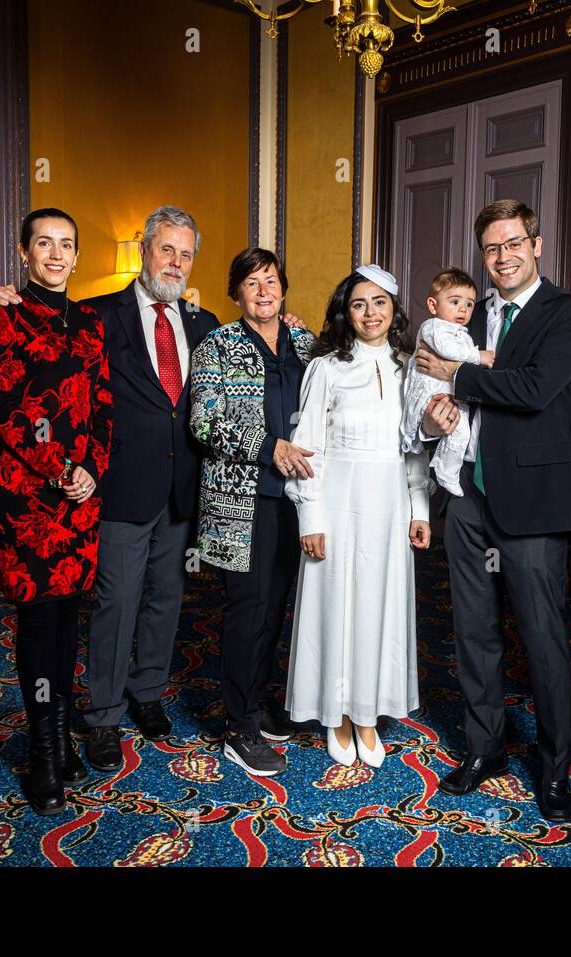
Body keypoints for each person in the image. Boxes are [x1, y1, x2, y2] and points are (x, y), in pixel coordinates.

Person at [0, 206, 219, 773]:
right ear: (144, 252)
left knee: (166, 599)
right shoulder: (98, 314)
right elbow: (34, 381)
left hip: (175, 484)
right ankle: (104, 713)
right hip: (111, 486)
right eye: (167, 250)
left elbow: (249, 350)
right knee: (114, 602)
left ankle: (148, 692)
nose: (176, 262)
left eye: (186, 254)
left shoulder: (203, 322)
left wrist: (299, 328)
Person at [415, 198, 571, 822]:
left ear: (537, 245)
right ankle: (484, 748)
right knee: (472, 630)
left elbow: (536, 388)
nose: (503, 256)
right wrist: (436, 408)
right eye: (492, 248)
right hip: (466, 495)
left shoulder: (570, 312)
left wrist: (457, 375)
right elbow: (435, 384)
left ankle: (553, 766)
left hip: (535, 503)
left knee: (543, 636)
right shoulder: (469, 317)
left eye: (514, 243)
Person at [0, 207, 112, 815]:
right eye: (44, 244)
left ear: (77, 256)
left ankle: (60, 741)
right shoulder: (1, 315)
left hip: (80, 496)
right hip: (26, 496)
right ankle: (41, 752)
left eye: (67, 244)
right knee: (37, 620)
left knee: (66, 621)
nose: (56, 254)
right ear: (25, 252)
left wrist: (92, 470)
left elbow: (104, 405)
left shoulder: (90, 321)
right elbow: (8, 409)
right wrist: (60, 469)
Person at [285, 265, 431, 769]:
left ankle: (366, 713)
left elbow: (416, 452)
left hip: (390, 504)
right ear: (346, 314)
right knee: (336, 606)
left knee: (378, 607)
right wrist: (311, 518)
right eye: (358, 304)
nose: (370, 313)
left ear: (395, 310)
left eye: (380, 303)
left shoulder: (412, 368)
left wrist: (420, 509)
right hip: (337, 504)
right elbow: (308, 448)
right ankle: (336, 714)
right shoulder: (326, 367)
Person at [190, 247, 316, 777]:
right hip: (242, 500)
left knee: (276, 606)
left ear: (283, 289)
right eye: (251, 284)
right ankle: (238, 724)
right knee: (247, 607)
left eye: (271, 282)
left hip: (298, 498)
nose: (263, 292)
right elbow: (203, 420)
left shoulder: (306, 342)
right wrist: (271, 448)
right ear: (236, 293)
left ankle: (259, 703)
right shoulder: (217, 345)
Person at [400, 268, 491, 496]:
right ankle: (446, 471)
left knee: (461, 432)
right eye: (455, 301)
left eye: (469, 304)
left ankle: (446, 469)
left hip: (449, 393)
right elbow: (446, 349)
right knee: (457, 429)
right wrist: (478, 356)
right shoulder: (433, 327)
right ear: (433, 306)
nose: (463, 308)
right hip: (428, 394)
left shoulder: (462, 332)